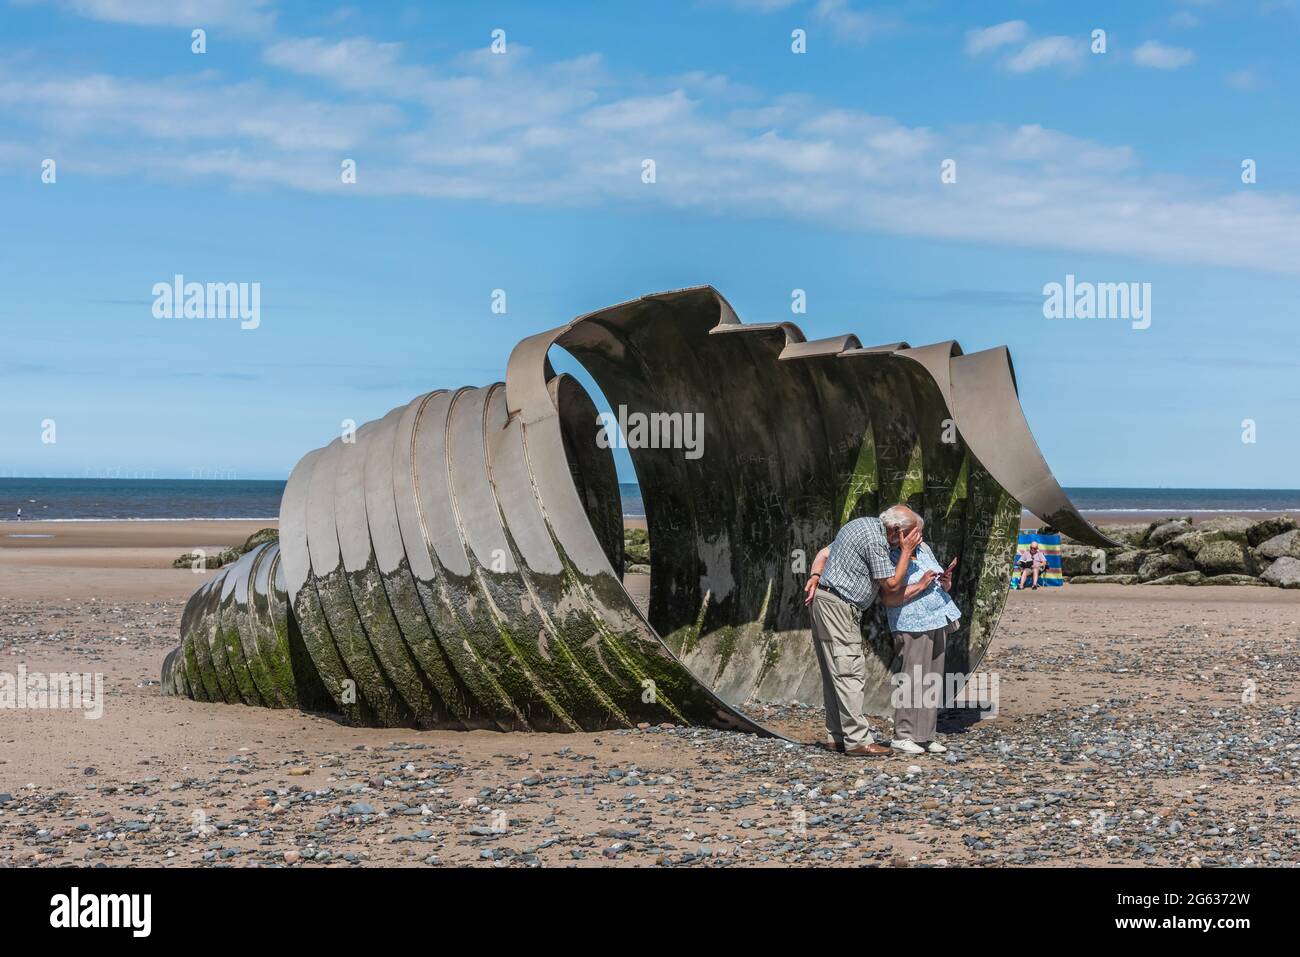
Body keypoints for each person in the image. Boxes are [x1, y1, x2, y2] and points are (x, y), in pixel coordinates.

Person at [803, 509, 924, 757]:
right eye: (911, 535)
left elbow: (823, 554)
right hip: (839, 605)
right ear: (897, 531)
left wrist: (815, 575)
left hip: (825, 600)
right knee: (849, 671)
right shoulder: (876, 540)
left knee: (833, 671)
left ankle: (837, 736)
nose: (914, 539)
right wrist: (906, 551)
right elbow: (891, 584)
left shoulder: (860, 525)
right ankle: (857, 740)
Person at [879, 504, 959, 756]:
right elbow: (889, 597)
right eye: (915, 532)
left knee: (932, 679)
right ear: (899, 532)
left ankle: (925, 735)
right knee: (912, 679)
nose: (920, 536)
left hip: (937, 617)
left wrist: (945, 583)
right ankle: (903, 735)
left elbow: (935, 581)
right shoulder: (887, 554)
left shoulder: (923, 548)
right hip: (911, 622)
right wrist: (922, 584)